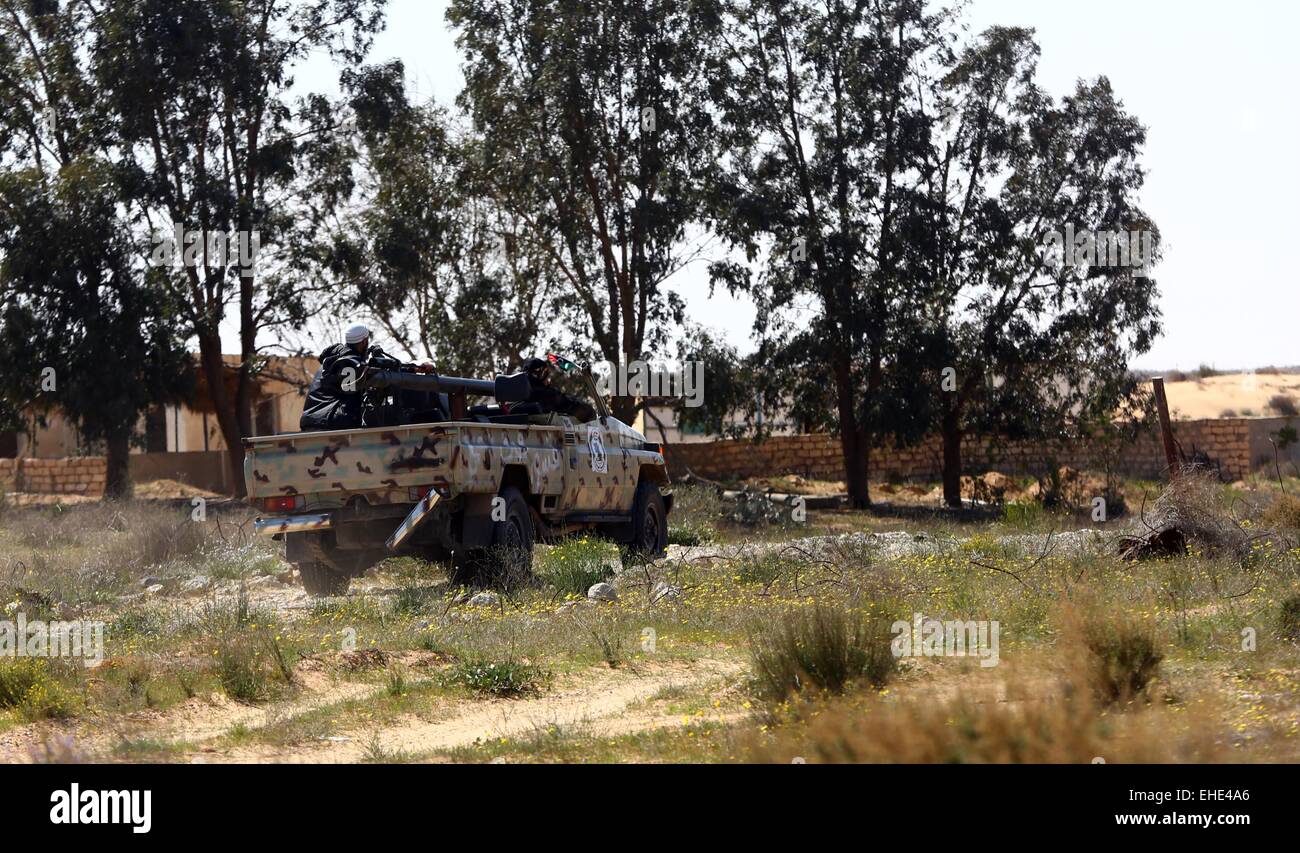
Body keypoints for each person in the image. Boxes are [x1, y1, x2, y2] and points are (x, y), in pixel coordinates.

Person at [299, 324, 436, 431]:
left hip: (309, 423)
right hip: (335, 424)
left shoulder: (328, 364)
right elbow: (383, 371)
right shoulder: (353, 365)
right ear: (365, 341)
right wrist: (415, 368)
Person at [518, 357, 597, 422]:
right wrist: (588, 411)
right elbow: (570, 405)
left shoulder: (514, 395)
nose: (548, 378)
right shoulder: (546, 395)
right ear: (537, 375)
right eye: (545, 373)